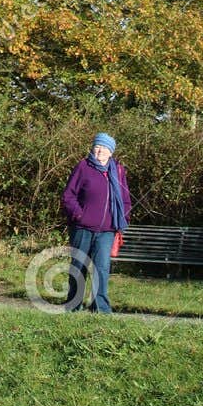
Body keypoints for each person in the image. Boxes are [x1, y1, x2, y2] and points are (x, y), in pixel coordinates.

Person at [62, 132, 131, 313]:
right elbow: (68, 196)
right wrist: (79, 215)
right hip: (82, 228)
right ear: (93, 148)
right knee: (79, 267)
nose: (100, 150)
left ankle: (100, 308)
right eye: (97, 146)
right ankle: (73, 306)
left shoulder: (118, 170)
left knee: (101, 269)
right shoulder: (83, 167)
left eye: (105, 148)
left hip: (107, 230)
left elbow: (125, 199)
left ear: (111, 152)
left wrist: (123, 218)